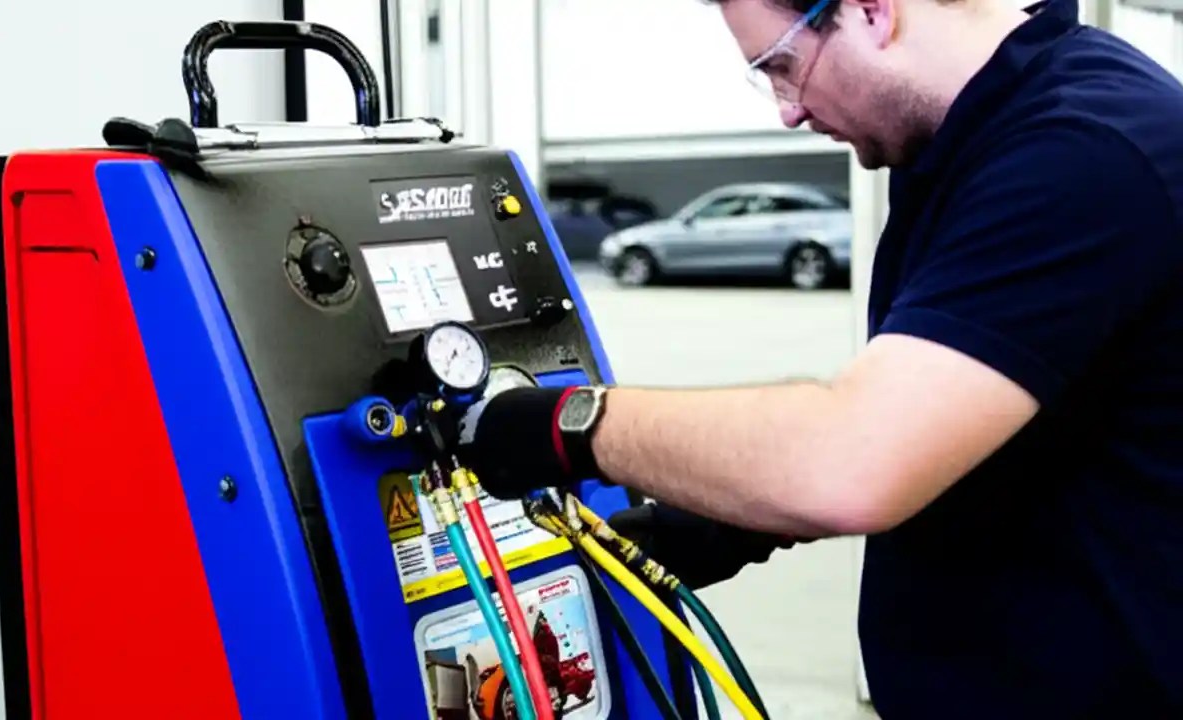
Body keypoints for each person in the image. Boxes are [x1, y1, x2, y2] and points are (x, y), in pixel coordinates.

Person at [456, 0, 1183, 717]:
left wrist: (572, 427)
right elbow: (951, 409)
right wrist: (729, 525)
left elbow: (854, 458)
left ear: (872, 11)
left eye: (782, 66)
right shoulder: (968, 145)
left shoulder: (1083, 148)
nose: (787, 111)